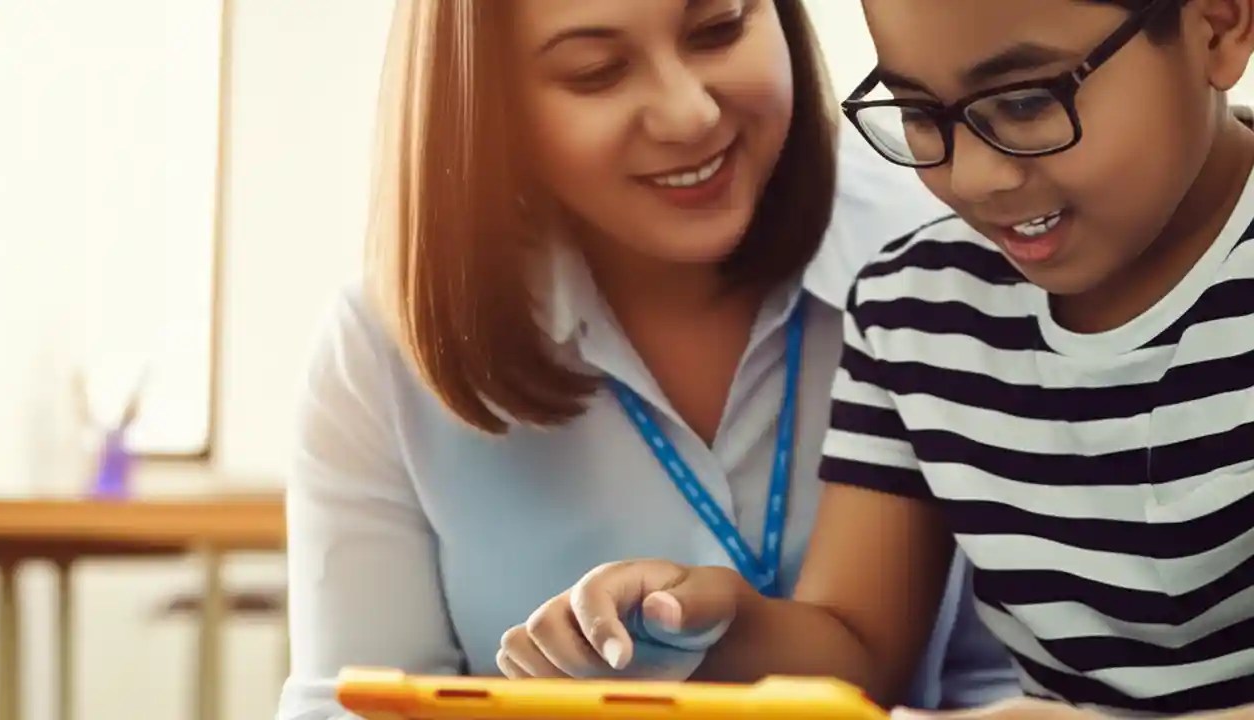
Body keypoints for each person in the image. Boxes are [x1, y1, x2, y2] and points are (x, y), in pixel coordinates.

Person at [503, 0, 1254, 717]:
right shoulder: (914, 307)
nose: (974, 178)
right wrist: (702, 622)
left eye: (1026, 104)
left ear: (1217, 28)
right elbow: (858, 647)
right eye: (921, 114)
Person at [276, 1, 1022, 718]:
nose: (689, 113)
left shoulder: (961, 261)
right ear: (486, 103)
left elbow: (1022, 679)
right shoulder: (379, 353)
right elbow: (352, 706)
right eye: (596, 71)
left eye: (718, 29)